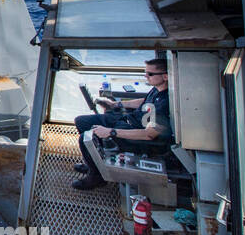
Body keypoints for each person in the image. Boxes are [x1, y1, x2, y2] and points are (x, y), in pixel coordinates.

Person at [73, 57, 174, 190]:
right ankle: (94, 163)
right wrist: (116, 104)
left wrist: (111, 132)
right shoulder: (157, 89)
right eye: (145, 73)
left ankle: (97, 177)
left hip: (136, 137)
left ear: (165, 76)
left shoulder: (164, 103)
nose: (146, 76)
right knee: (81, 122)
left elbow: (149, 134)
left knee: (85, 138)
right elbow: (144, 101)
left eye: (150, 74)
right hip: (126, 120)